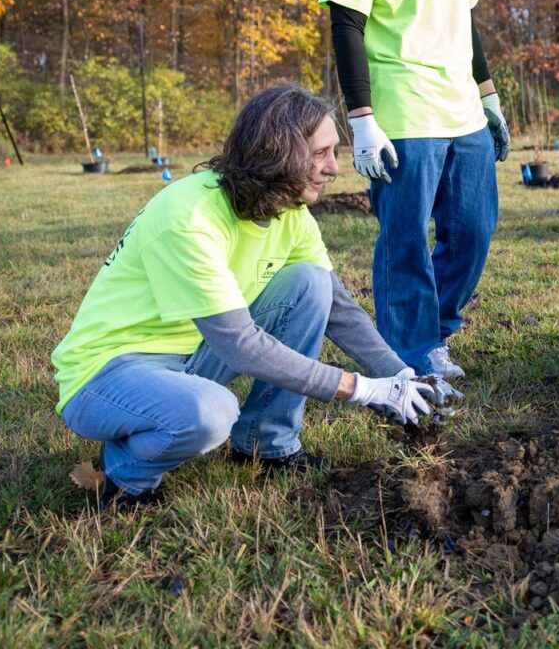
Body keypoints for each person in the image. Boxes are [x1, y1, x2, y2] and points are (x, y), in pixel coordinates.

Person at [52, 84, 450, 511]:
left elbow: (336, 307)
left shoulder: (288, 211)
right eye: (321, 153)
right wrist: (360, 389)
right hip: (108, 373)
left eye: (335, 152)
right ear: (277, 151)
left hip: (191, 352)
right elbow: (239, 344)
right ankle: (126, 477)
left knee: (310, 282)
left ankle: (266, 444)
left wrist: (401, 375)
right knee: (210, 414)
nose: (334, 167)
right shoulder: (190, 218)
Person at [318, 0, 509, 382]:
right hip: (402, 110)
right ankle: (409, 353)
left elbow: (466, 17)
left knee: (474, 231)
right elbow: (345, 24)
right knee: (404, 240)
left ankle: (436, 334)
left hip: (462, 108)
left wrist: (489, 93)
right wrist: (363, 120)